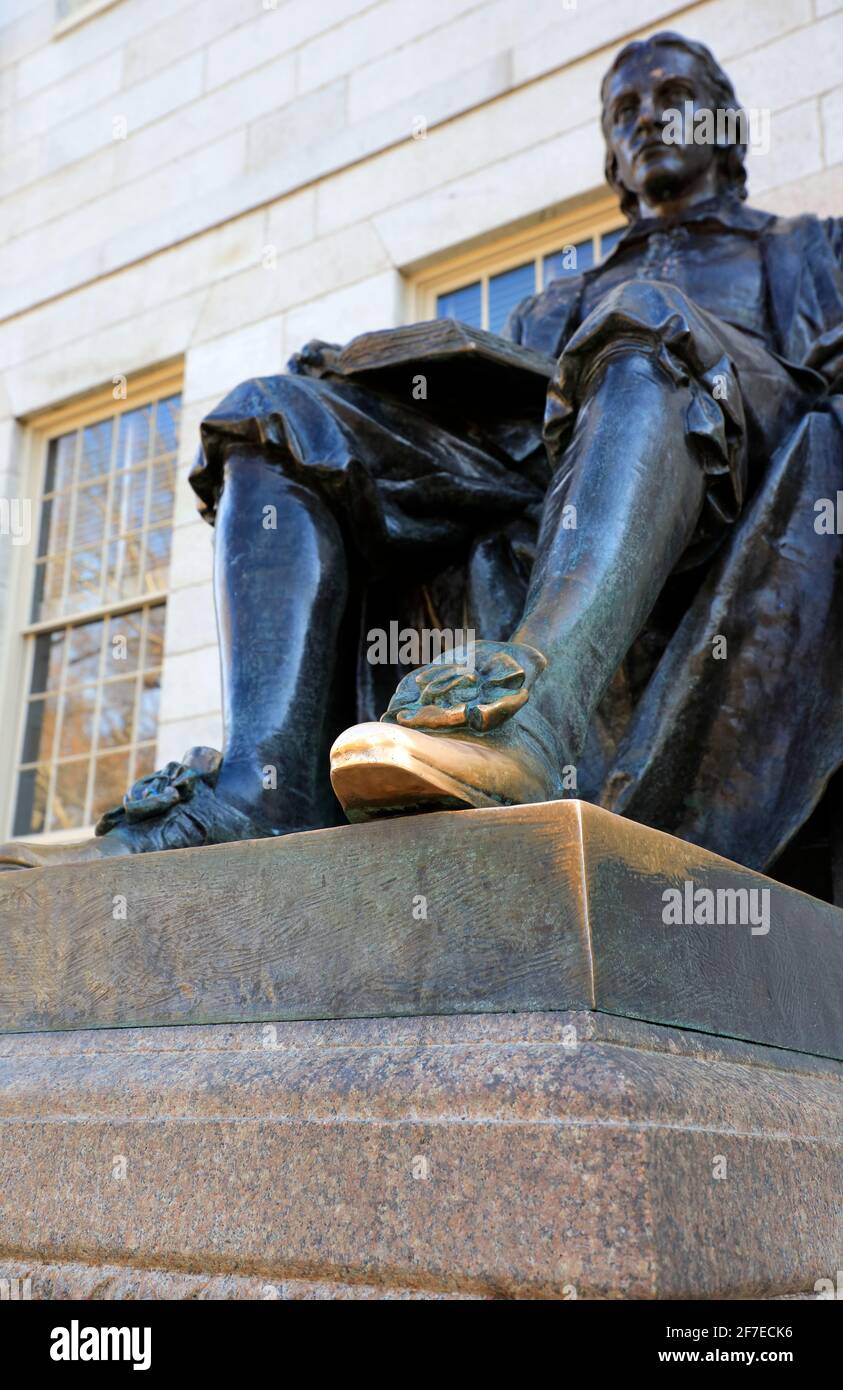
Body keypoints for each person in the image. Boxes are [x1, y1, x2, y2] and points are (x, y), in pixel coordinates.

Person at [5, 32, 843, 891]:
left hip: (737, 490)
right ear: (611, 161)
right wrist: (374, 390)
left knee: (646, 319)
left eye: (671, 97)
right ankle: (261, 792)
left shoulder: (809, 252)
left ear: (725, 124)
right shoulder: (558, 299)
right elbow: (513, 436)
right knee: (275, 413)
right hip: (549, 496)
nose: (647, 120)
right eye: (623, 112)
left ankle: (532, 724)